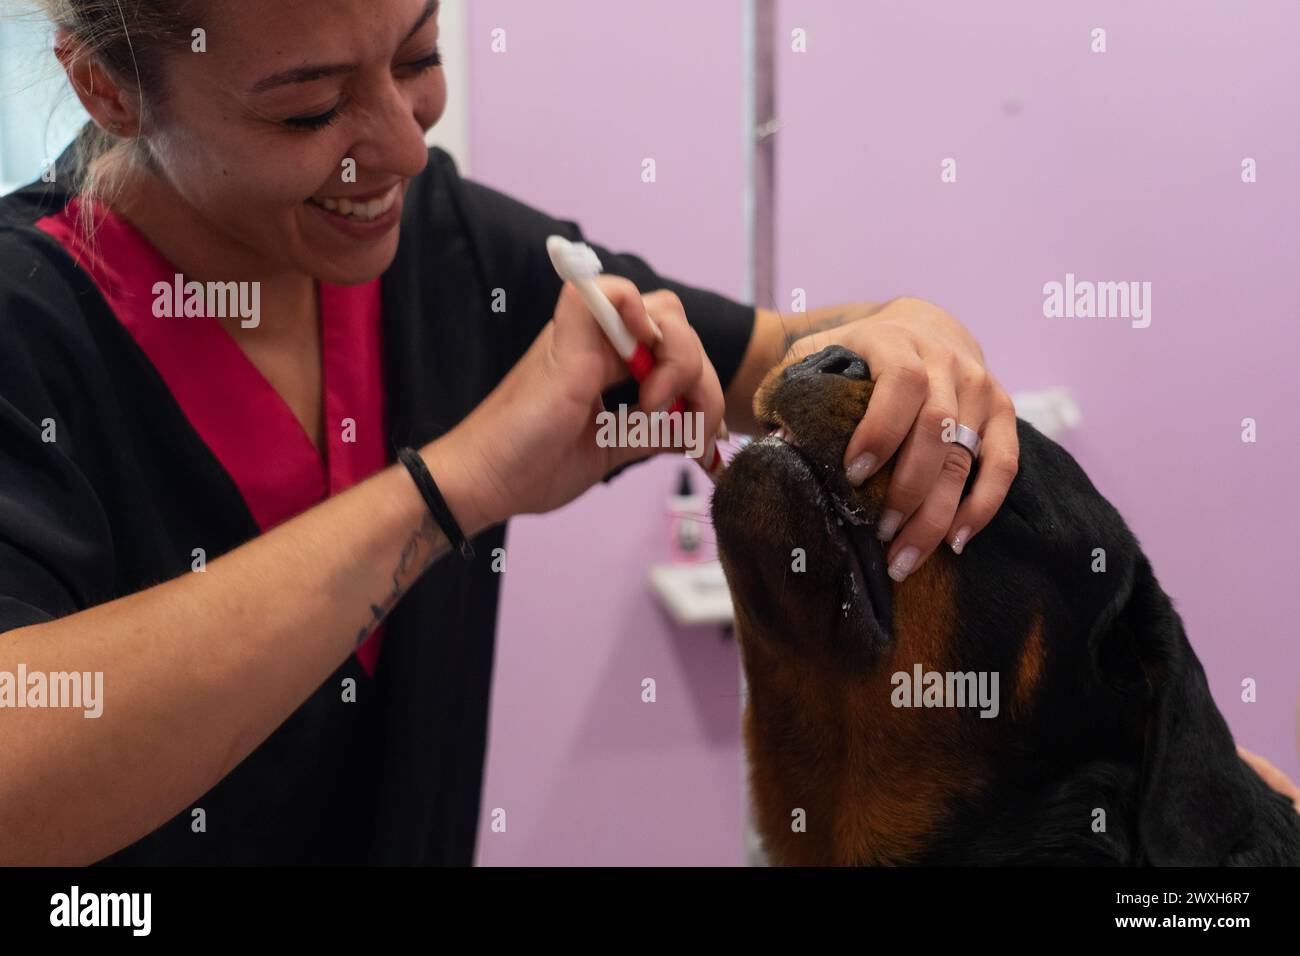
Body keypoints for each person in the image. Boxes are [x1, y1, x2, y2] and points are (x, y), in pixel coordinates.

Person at [1, 0, 1033, 865]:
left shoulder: (442, 247)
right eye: (308, 111)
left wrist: (908, 332)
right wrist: (456, 485)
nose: (405, 144)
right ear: (108, 88)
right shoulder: (29, 325)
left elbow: (774, 356)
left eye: (419, 56)